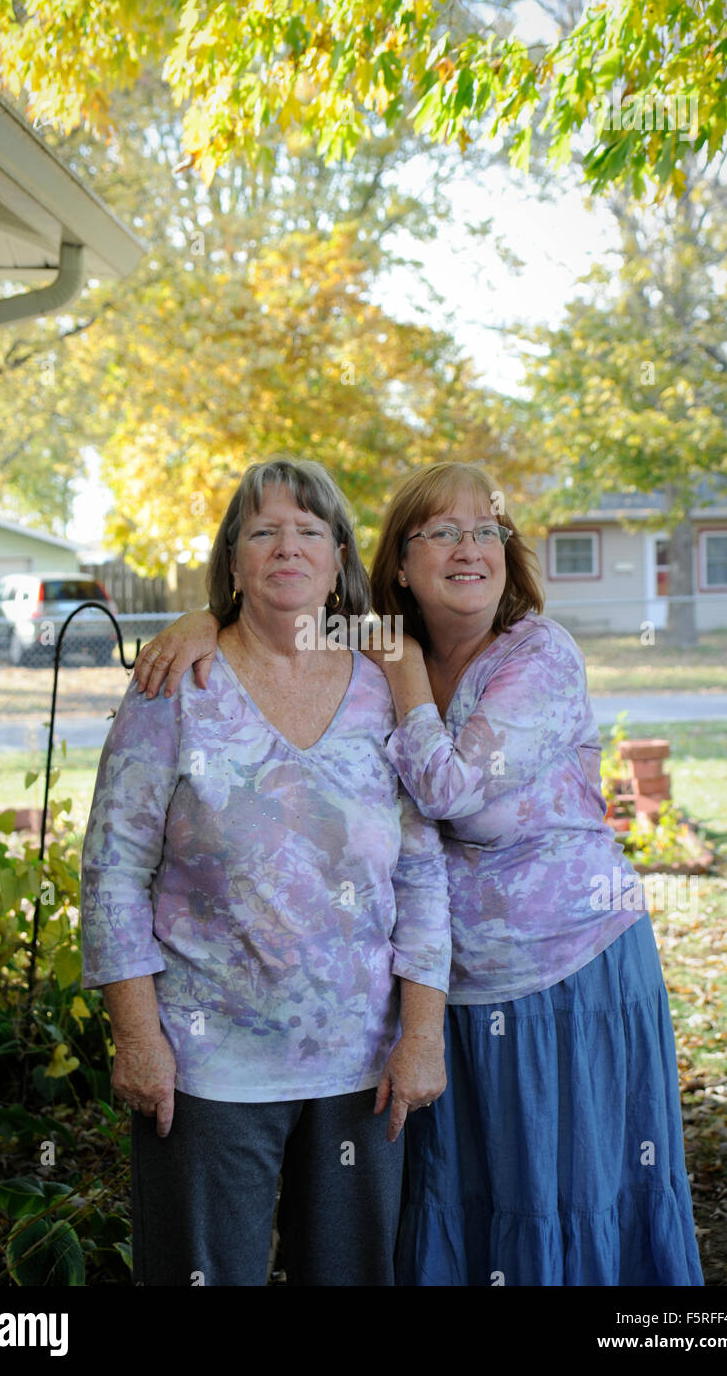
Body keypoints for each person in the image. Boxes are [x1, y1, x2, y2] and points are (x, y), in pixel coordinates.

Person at [133, 461, 704, 1289]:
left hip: (561, 979)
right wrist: (198, 618)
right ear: (398, 562)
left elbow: (451, 793)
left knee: (561, 1200)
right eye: (442, 532)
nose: (468, 548)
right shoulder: (370, 655)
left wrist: (402, 678)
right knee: (463, 1205)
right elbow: (274, 614)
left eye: (486, 531)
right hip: (436, 997)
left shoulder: (533, 656)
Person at [81, 458, 451, 1287]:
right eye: (263, 531)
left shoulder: (383, 688)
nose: (288, 546)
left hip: (360, 1064)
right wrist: (139, 1040)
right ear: (234, 559)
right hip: (204, 1064)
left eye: (309, 531)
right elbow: (111, 873)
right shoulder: (174, 686)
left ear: (340, 558)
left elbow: (422, 879)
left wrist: (421, 1036)